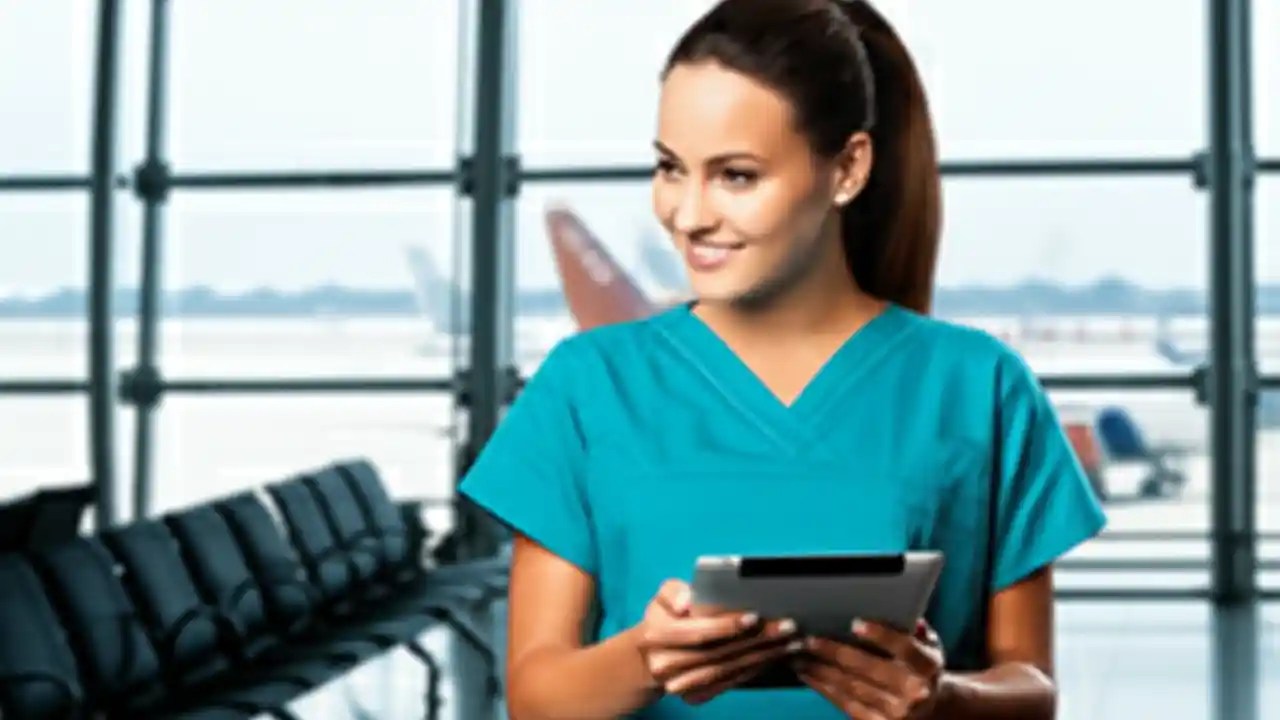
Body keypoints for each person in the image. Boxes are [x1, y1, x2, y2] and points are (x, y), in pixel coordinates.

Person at [458, 0, 1107, 717]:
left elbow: (1032, 689)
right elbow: (535, 697)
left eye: (736, 176)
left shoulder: (979, 386)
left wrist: (942, 698)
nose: (688, 213)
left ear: (848, 169)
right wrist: (647, 655)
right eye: (671, 168)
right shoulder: (586, 386)